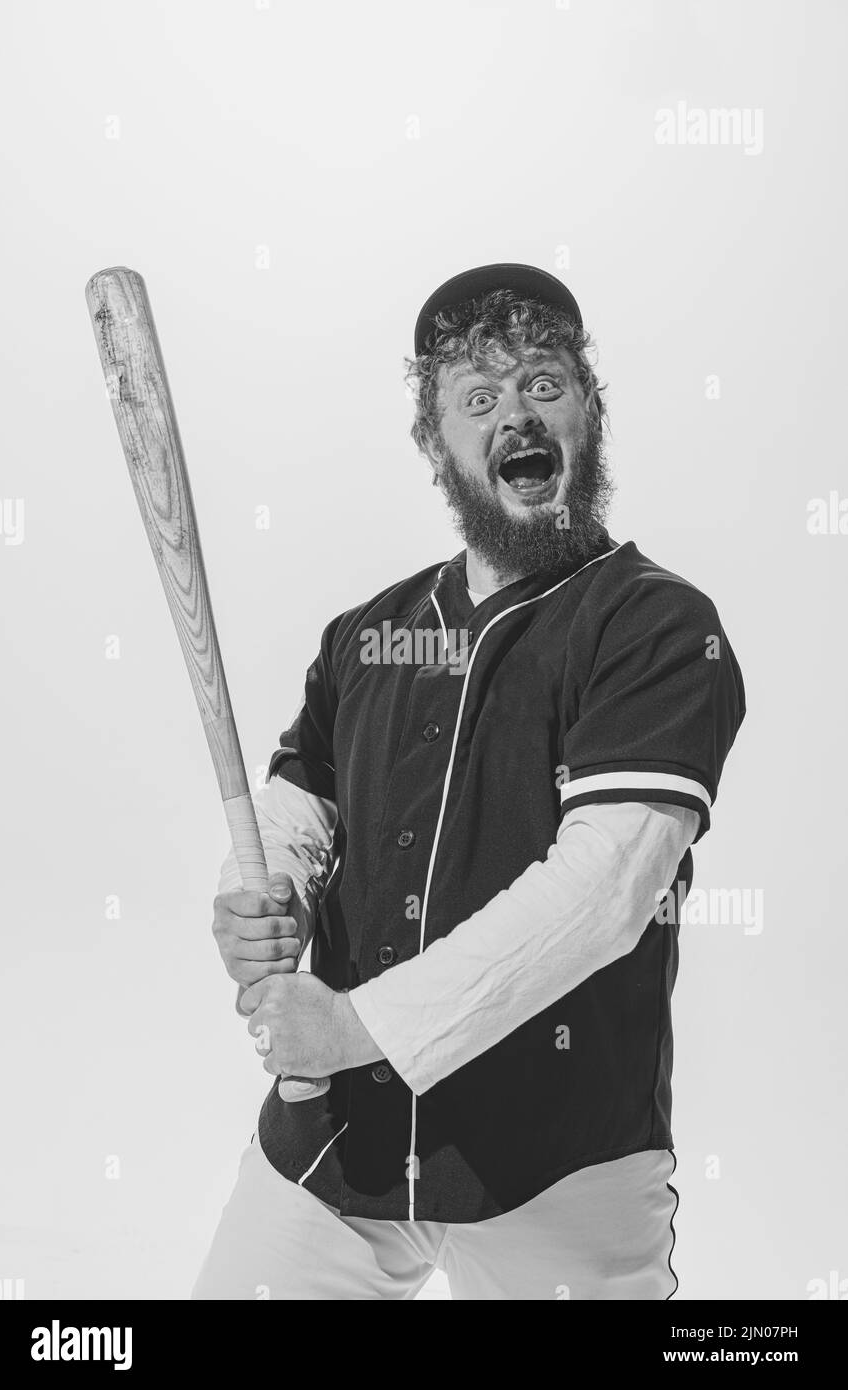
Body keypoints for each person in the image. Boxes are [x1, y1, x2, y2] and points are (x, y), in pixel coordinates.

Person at [192, 263, 745, 1300]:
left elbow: (603, 894)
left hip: (559, 1167)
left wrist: (355, 1027)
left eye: (543, 384)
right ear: (434, 442)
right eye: (478, 399)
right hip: (333, 1145)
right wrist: (261, 892)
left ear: (589, 409)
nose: (515, 416)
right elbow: (301, 804)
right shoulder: (371, 631)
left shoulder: (655, 625)